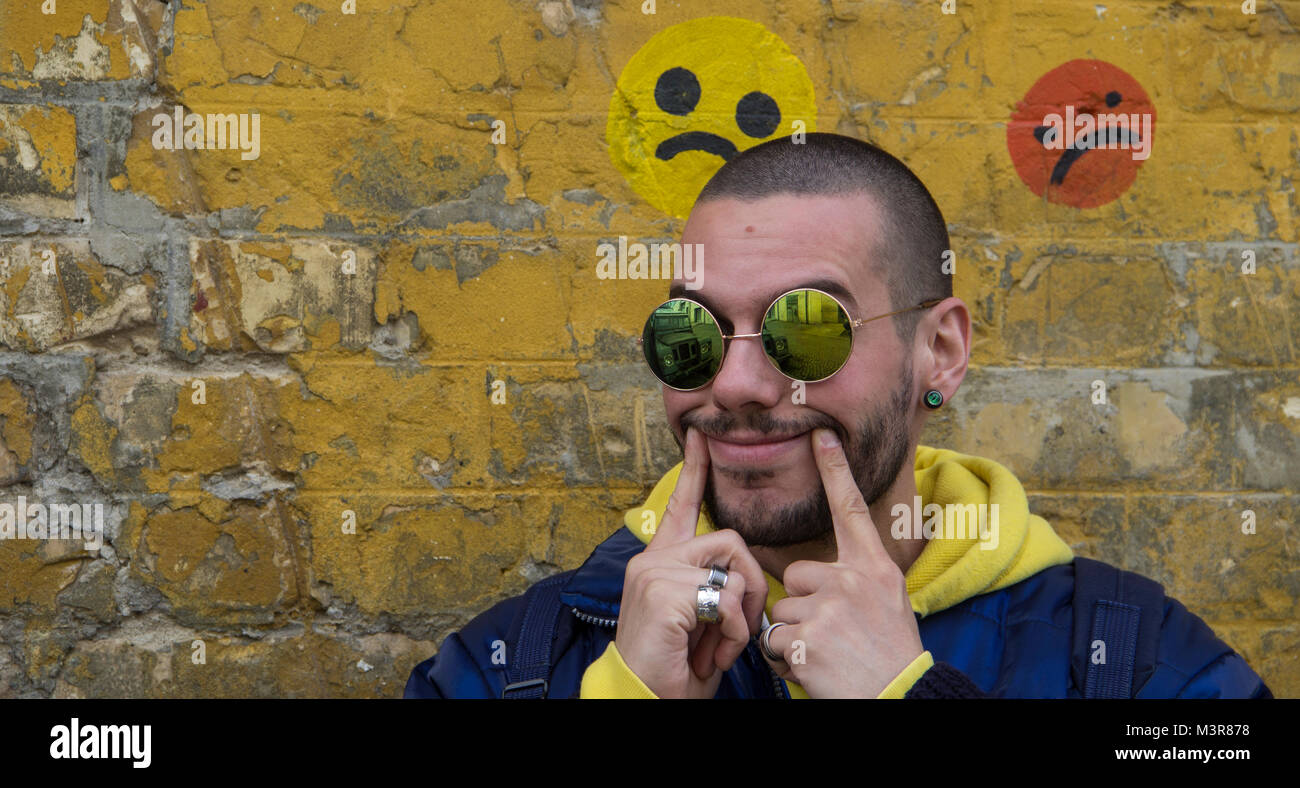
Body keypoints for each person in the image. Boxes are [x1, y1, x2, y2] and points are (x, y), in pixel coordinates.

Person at [404, 132, 1272, 699]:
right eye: (692, 332)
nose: (737, 383)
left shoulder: (1139, 664)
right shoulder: (515, 663)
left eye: (806, 327)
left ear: (941, 353)